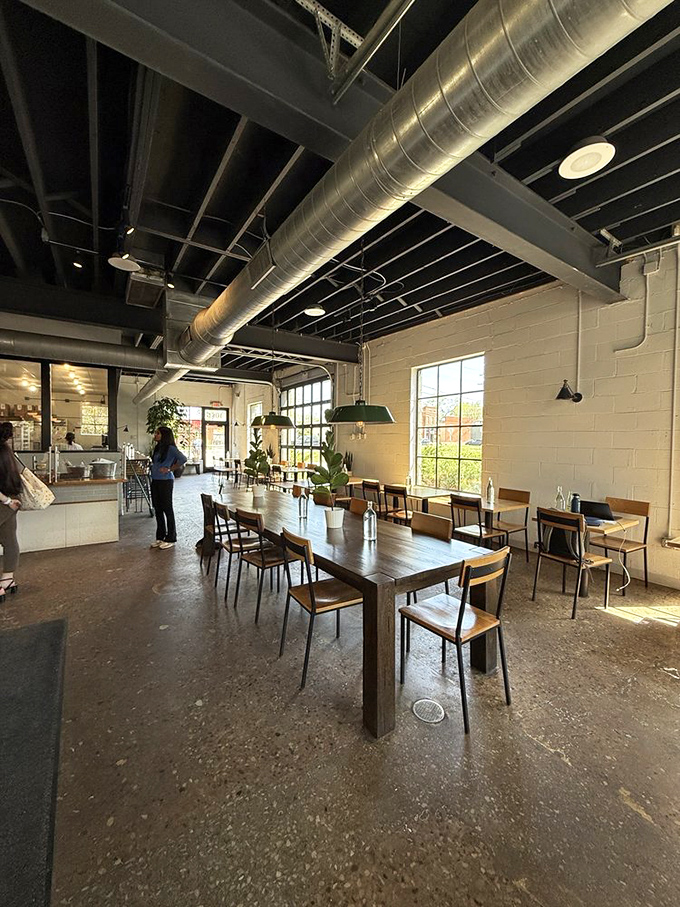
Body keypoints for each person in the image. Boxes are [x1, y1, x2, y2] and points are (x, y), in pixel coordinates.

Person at [149, 426, 187, 550]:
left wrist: (170, 469)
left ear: (164, 435)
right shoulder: (158, 447)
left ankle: (171, 538)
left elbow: (183, 459)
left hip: (166, 481)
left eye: (158, 433)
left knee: (167, 508)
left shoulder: (171, 449)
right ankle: (160, 537)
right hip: (155, 480)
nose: (155, 435)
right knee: (158, 508)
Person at [0, 422, 22, 600]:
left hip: (5, 502)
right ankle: (7, 579)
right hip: (11, 502)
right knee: (9, 541)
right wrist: (9, 501)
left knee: (9, 541)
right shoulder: (7, 453)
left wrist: (5, 501)